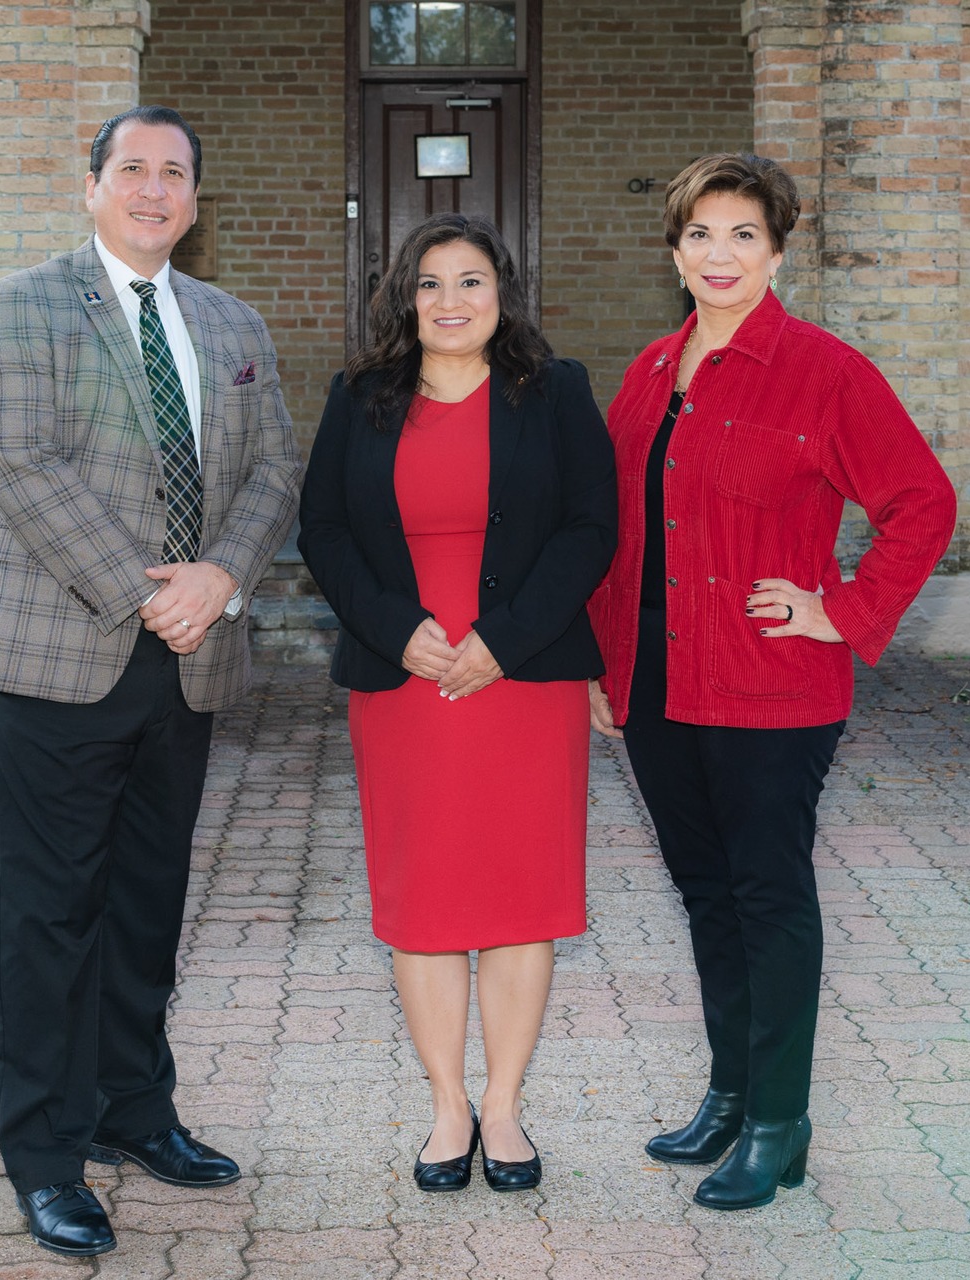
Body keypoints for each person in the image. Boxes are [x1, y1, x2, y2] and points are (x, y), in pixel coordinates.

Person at [0, 105, 303, 1257]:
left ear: (196, 201)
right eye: (133, 169)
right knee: (49, 914)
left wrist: (219, 576)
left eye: (175, 174)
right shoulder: (24, 304)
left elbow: (271, 467)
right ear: (93, 186)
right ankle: (48, 1154)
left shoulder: (228, 319)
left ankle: (133, 1110)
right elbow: (18, 459)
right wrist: (145, 587)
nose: (154, 189)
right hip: (62, 654)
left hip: (190, 661)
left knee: (148, 905)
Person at [587, 153, 955, 1211]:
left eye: (742, 234)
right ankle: (731, 1089)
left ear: (776, 250)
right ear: (673, 251)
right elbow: (615, 533)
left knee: (767, 891)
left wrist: (837, 606)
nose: (718, 253)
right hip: (654, 678)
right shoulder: (650, 371)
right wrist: (598, 670)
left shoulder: (823, 371)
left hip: (768, 684)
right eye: (700, 233)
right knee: (706, 893)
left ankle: (779, 1118)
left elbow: (919, 502)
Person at [298, 213, 616, 1194]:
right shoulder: (359, 398)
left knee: (523, 897)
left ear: (501, 292)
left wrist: (501, 640)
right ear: (403, 297)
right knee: (424, 900)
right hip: (406, 683)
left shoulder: (554, 392)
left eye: (470, 281)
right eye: (428, 283)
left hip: (521, 682)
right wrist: (397, 627)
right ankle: (447, 1107)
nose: (449, 301)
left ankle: (507, 1107)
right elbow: (322, 529)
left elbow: (589, 525)